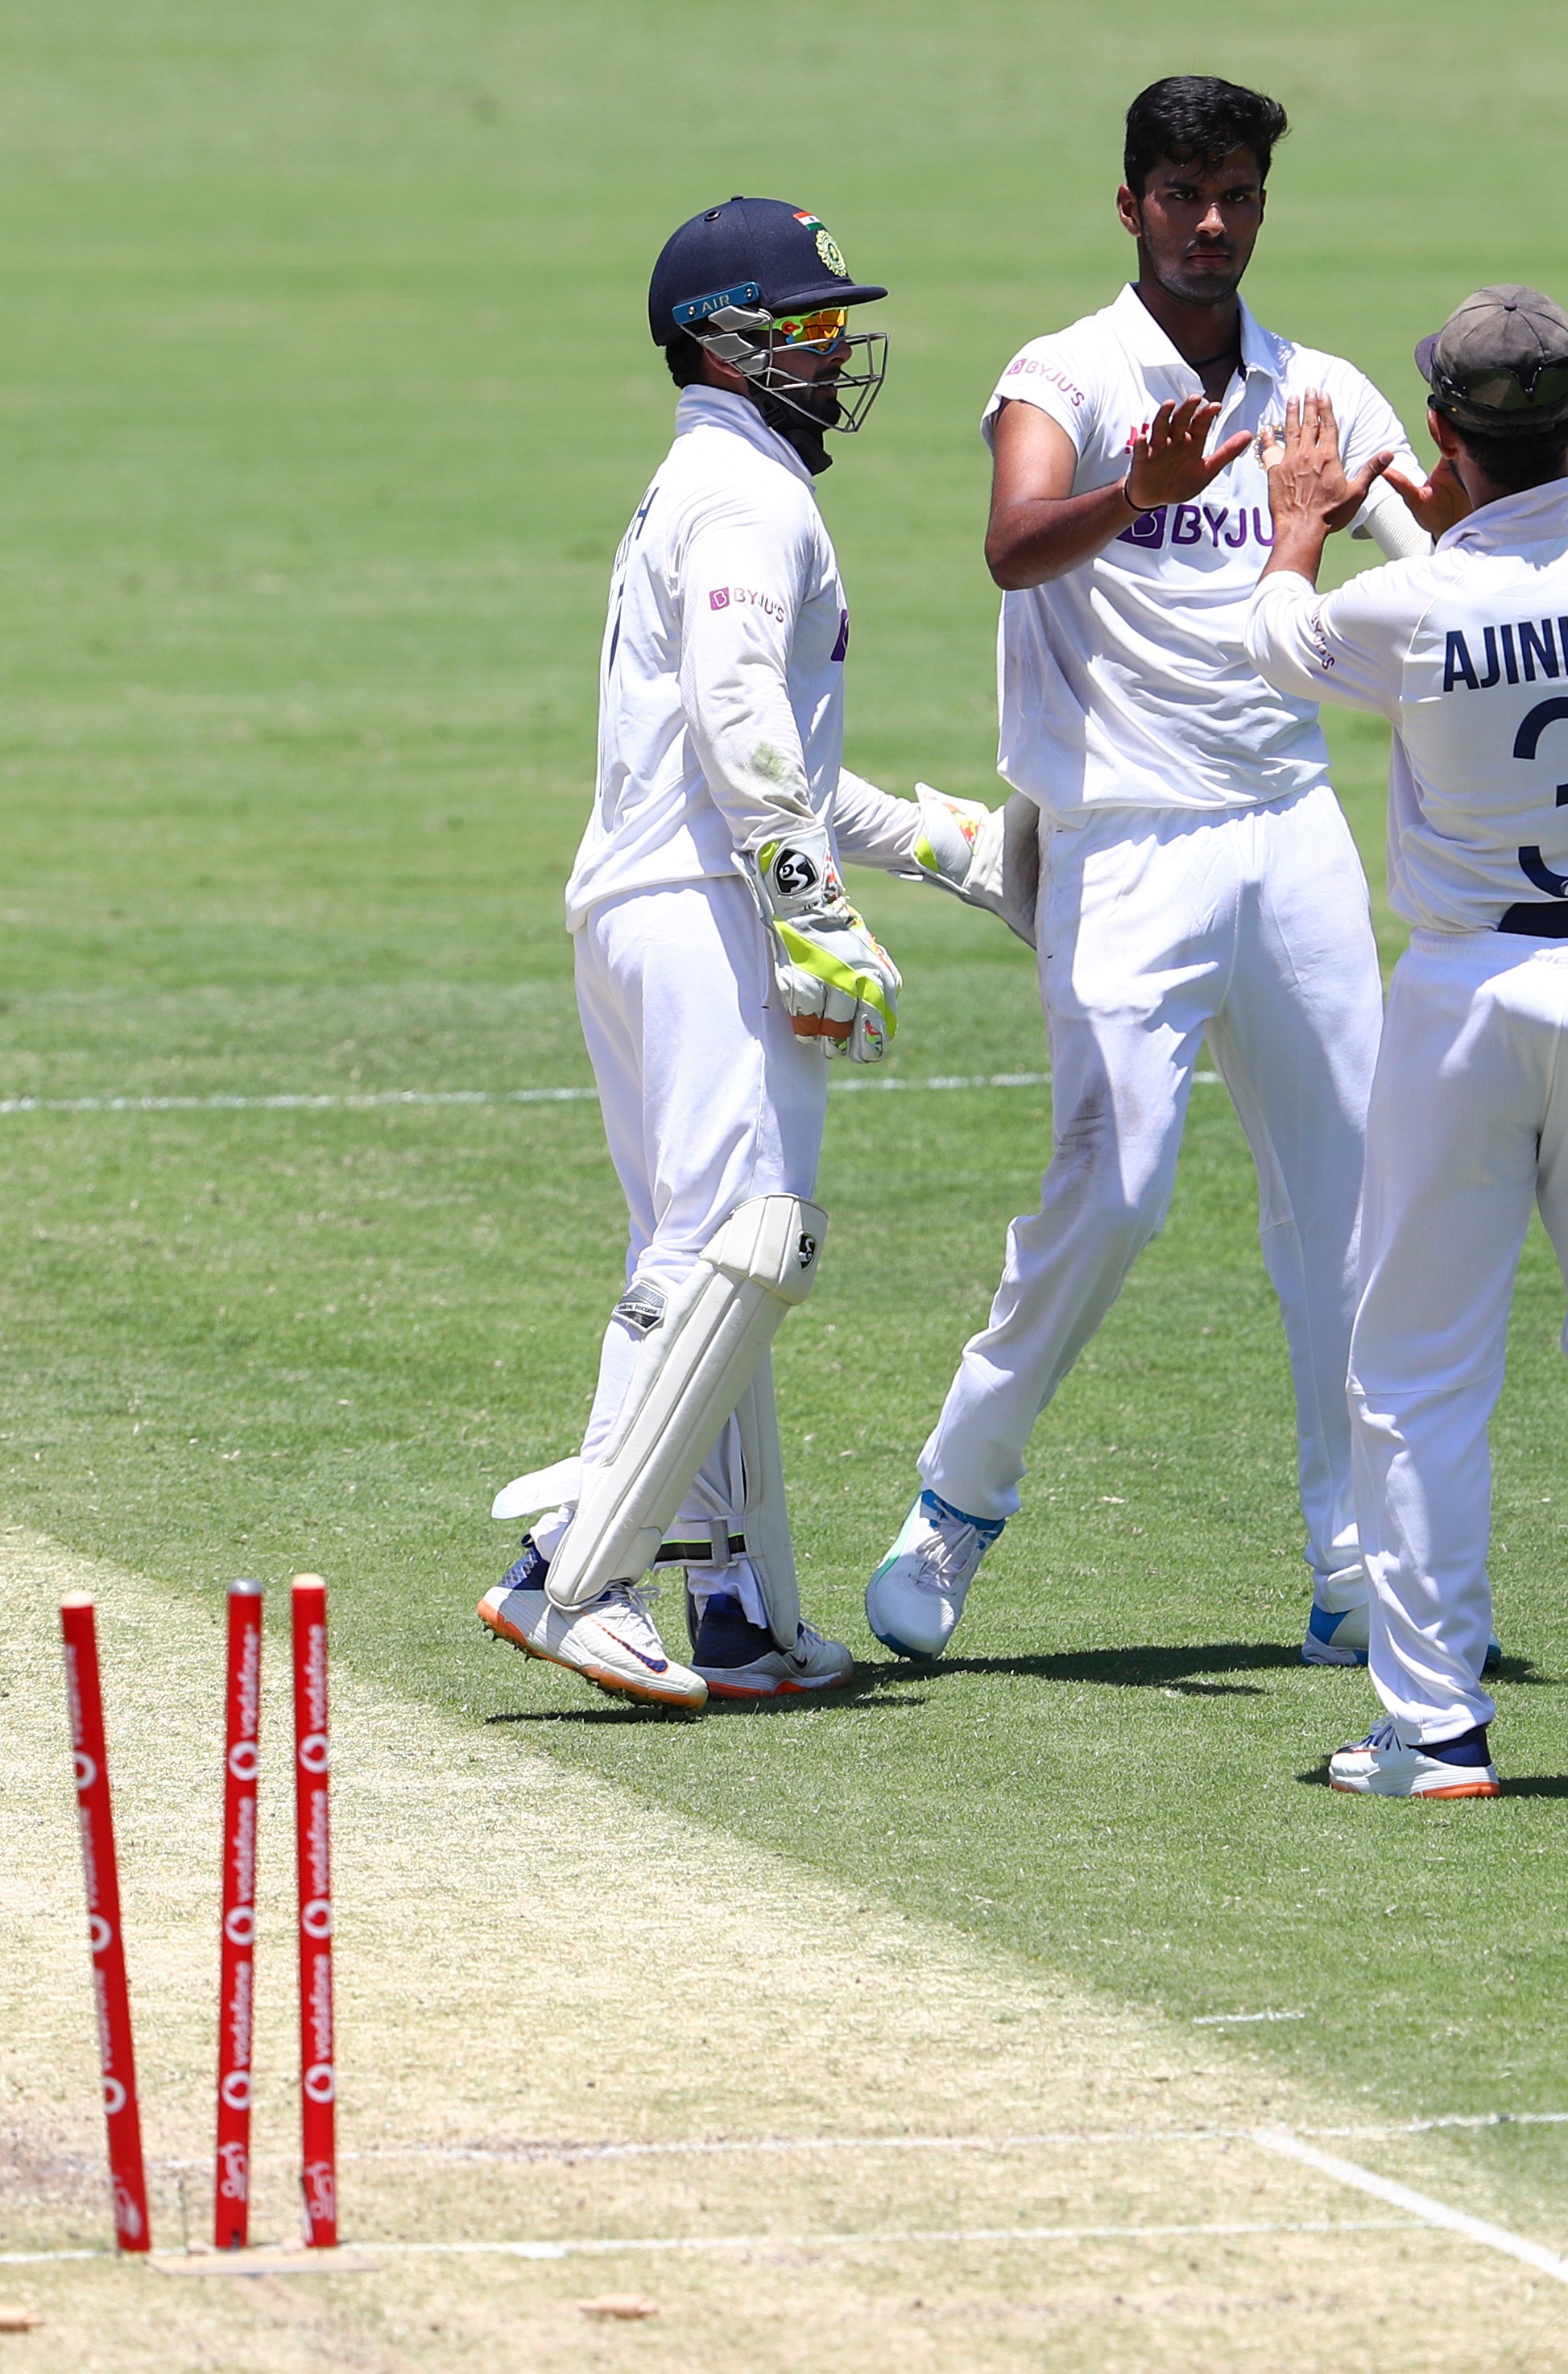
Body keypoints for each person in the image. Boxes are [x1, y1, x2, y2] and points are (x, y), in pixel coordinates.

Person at [866, 75, 1431, 1671]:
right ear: (1130, 205)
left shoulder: (1316, 389)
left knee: (1349, 1205)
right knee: (1115, 1188)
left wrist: (1556, 518)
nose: (1210, 224)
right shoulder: (1068, 371)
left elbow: (1438, 551)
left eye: (1237, 194)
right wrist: (1144, 497)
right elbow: (1011, 537)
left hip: (1288, 829)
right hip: (1125, 840)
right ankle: (957, 1498)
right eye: (1182, 194)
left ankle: (1352, 1556)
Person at [479, 197, 1022, 1713]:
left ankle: (732, 1608)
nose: (836, 343)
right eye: (807, 321)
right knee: (737, 1242)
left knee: (714, 1248)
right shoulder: (744, 500)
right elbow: (738, 719)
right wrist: (807, 905)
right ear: (722, 341)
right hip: (704, 904)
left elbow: (767, 742)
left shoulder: (720, 482)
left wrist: (939, 849)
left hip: (656, 897)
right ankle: (572, 1577)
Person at [1243, 286, 1568, 1797]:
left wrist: (1295, 519)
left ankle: (1434, 1727)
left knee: (1413, 1376)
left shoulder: (1404, 609)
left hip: (1462, 999)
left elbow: (1280, 641)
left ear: (1445, 437)